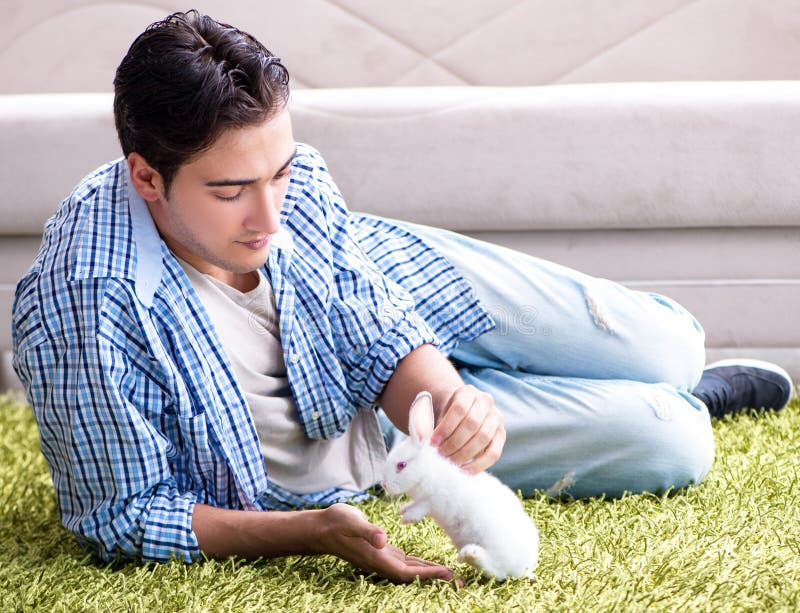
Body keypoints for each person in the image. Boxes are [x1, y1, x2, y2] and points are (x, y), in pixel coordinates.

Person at [11, 10, 794, 582]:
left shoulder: (283, 195)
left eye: (280, 174)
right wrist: (307, 530)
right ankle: (685, 399)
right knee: (676, 441)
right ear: (146, 176)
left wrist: (451, 400)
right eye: (232, 191)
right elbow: (124, 515)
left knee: (669, 345)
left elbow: (366, 318)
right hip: (372, 452)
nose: (271, 216)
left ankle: (660, 374)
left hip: (393, 287)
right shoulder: (89, 302)